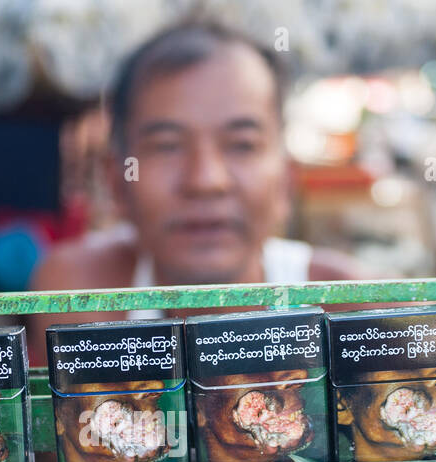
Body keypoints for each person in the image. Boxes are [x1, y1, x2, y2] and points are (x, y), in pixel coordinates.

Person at [27, 20, 368, 359]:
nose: (206, 181)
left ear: (285, 179)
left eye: (242, 144)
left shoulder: (353, 315)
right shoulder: (79, 304)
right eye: (167, 146)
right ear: (117, 181)